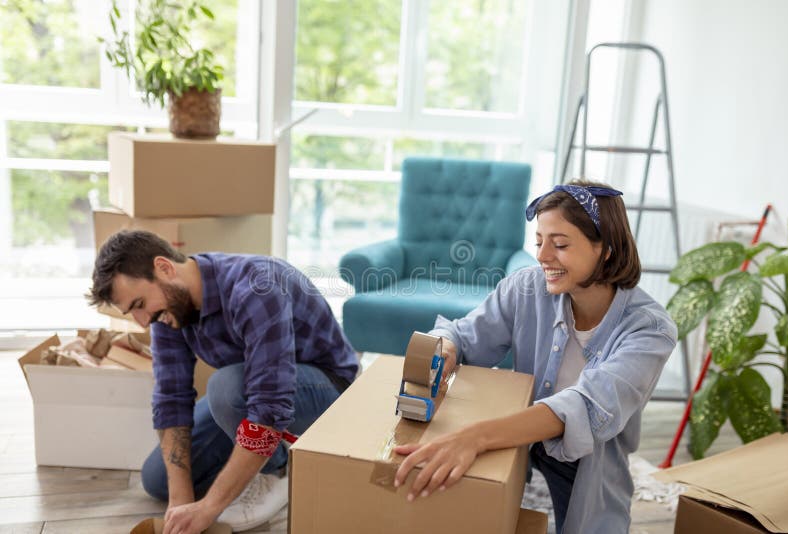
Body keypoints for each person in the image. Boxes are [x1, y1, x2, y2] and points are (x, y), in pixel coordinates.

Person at [393, 180, 678, 534]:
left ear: (605, 249)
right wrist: (447, 346)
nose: (543, 256)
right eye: (539, 242)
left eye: (559, 244)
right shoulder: (527, 287)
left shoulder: (650, 330)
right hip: (519, 440)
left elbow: (585, 407)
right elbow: (465, 335)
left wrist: (473, 437)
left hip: (588, 464)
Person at [87, 230, 358, 534]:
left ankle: (277, 472)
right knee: (158, 480)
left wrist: (209, 507)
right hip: (252, 391)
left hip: (329, 390)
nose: (141, 321)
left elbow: (270, 407)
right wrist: (181, 500)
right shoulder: (168, 310)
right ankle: (256, 461)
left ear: (164, 268)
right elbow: (171, 399)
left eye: (139, 304)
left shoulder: (256, 287)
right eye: (131, 312)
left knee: (226, 389)